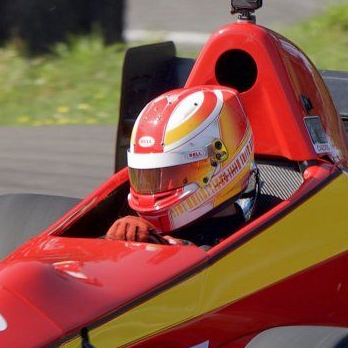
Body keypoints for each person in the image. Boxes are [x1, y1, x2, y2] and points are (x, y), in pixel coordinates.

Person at [107, 85, 258, 247]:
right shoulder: (138, 231)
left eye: (174, 174)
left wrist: (173, 249)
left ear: (219, 159)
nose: (156, 188)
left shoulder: (254, 242)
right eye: (149, 177)